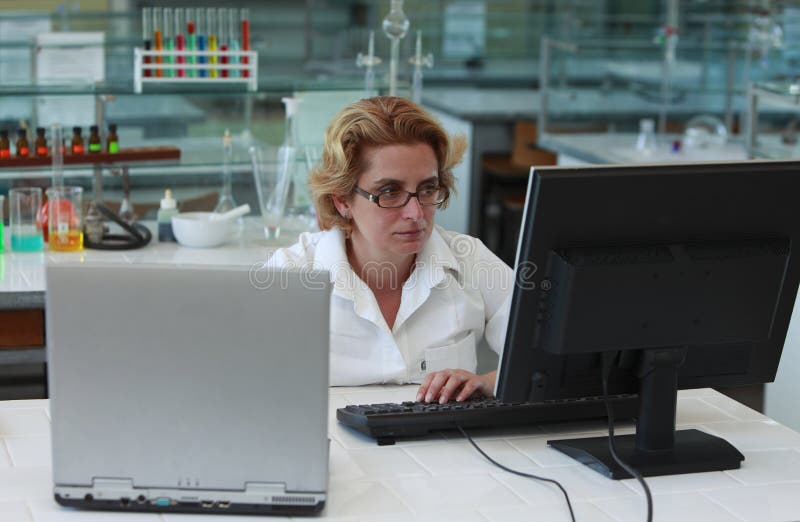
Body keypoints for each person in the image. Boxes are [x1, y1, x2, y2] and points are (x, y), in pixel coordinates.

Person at [269, 96, 513, 403]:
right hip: (332, 448)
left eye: (427, 189)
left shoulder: (469, 259)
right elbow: (237, 382)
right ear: (342, 200)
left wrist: (490, 382)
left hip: (446, 447)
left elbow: (549, 359)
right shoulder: (291, 273)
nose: (415, 213)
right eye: (389, 192)